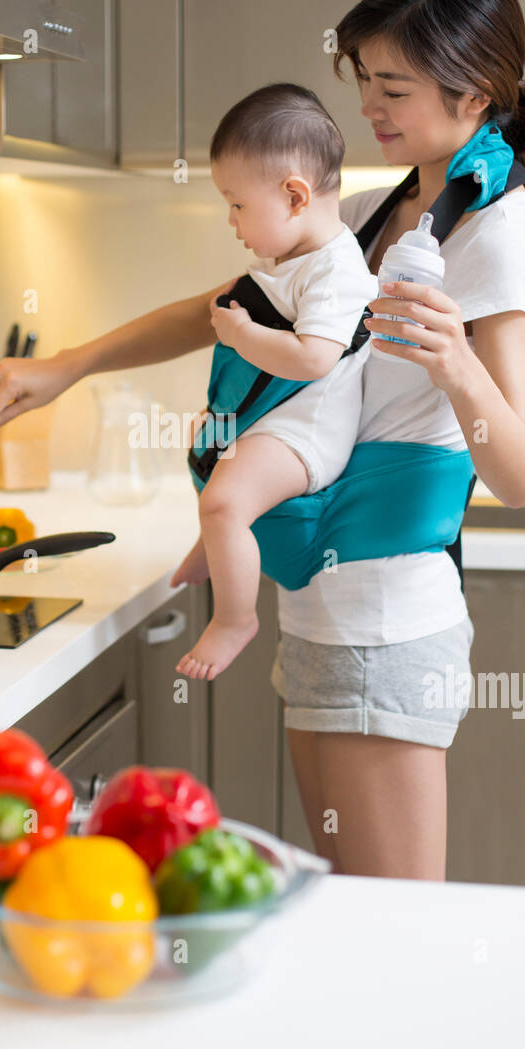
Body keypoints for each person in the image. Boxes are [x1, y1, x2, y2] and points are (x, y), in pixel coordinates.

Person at [0, 0, 525, 881]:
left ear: (476, 90)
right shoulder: (369, 213)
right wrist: (65, 368)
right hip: (319, 612)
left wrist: (456, 367)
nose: (368, 105)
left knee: (392, 932)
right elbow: (222, 308)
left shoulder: (497, 228)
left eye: (392, 86)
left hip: (388, 623)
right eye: (363, 79)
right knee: (348, 910)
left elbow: (522, 476)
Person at [169, 84, 377, 681]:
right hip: (280, 425)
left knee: (227, 497)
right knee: (213, 460)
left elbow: (314, 358)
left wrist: (240, 336)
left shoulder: (337, 270)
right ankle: (218, 543)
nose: (230, 220)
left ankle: (236, 618)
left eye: (236, 204)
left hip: (309, 436)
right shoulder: (298, 259)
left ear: (293, 196)